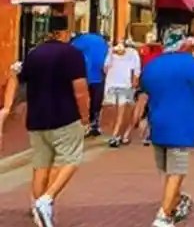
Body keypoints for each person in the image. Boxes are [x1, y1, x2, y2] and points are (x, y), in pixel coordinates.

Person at [0, 15, 89, 227]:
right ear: (64, 33)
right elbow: (80, 91)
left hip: (37, 119)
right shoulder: (72, 54)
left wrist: (7, 107)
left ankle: (39, 213)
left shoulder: (33, 54)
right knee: (71, 160)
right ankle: (46, 200)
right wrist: (85, 117)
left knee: (41, 165)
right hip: (65, 117)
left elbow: (17, 78)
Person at [134, 33, 194, 227]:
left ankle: (174, 203)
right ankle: (163, 215)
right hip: (182, 125)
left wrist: (136, 120)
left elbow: (142, 98)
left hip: (158, 125)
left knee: (167, 171)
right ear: (183, 46)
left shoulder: (151, 66)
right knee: (177, 171)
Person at [70, 29, 109, 136]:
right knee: (96, 100)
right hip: (99, 75)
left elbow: (70, 53)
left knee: (80, 98)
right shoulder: (102, 42)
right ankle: (94, 123)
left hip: (83, 75)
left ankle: (82, 123)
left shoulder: (79, 41)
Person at [104, 41, 142, 147]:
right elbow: (136, 71)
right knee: (118, 112)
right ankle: (117, 135)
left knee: (117, 112)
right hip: (119, 85)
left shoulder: (116, 52)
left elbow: (106, 69)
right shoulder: (114, 52)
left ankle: (115, 135)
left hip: (116, 85)